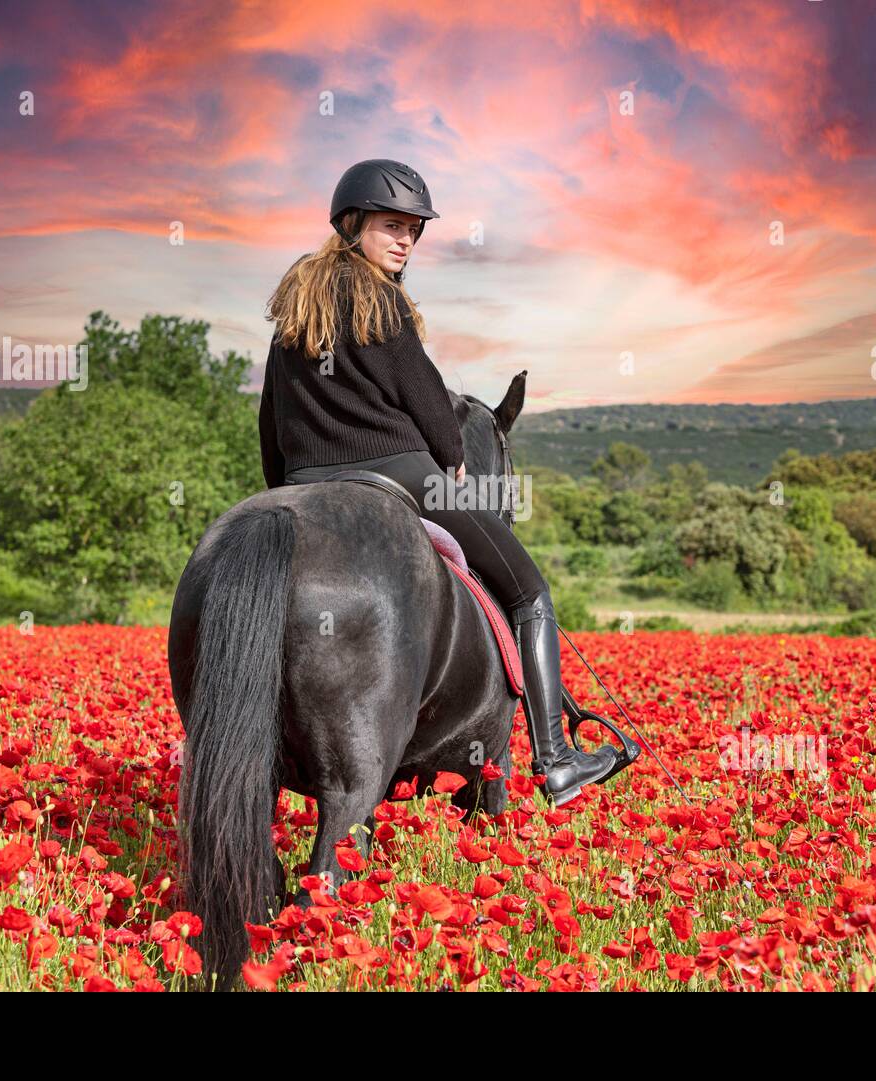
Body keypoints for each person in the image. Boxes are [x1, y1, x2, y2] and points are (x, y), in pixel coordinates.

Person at [258, 158, 630, 807]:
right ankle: (557, 758)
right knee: (530, 592)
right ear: (351, 225)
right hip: (399, 476)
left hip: (301, 484)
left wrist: (286, 491)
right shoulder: (381, 299)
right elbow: (429, 401)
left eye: (412, 229)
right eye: (390, 226)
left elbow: (271, 422)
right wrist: (453, 457)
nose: (404, 240)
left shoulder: (296, 314)